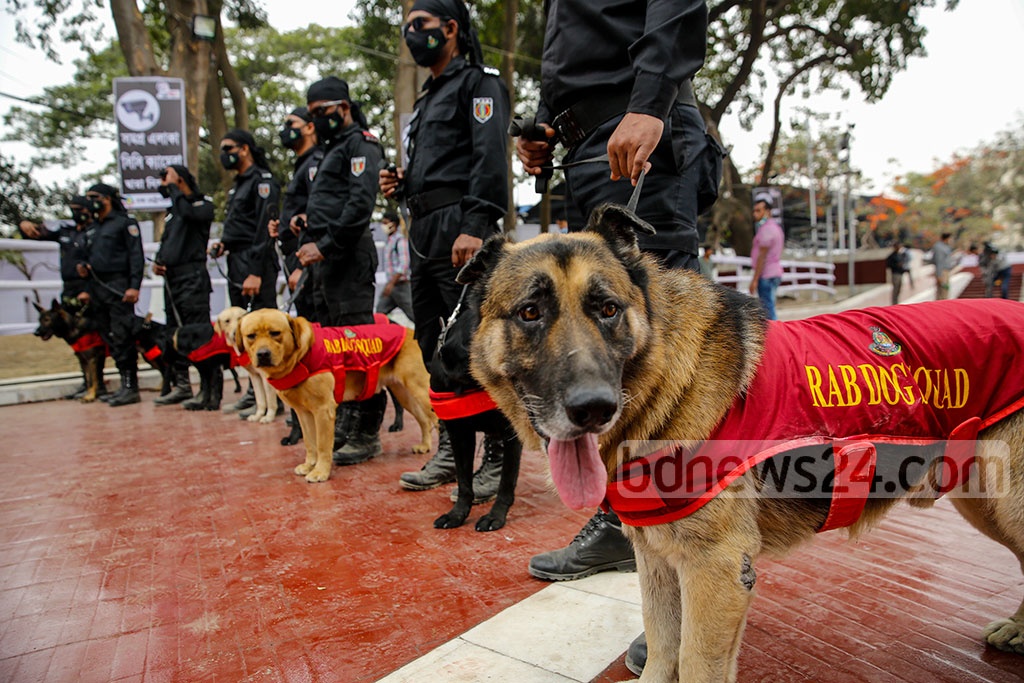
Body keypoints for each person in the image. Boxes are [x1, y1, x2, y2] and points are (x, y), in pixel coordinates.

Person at [513, 1, 713, 673]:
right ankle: (619, 517)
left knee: (670, 366)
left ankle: (691, 586)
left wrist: (651, 100)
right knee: (598, 361)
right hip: (590, 142)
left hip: (633, 128)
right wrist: (548, 126)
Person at [379, 0, 511, 500]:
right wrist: (403, 183)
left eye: (421, 26)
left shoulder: (480, 84)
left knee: (475, 346)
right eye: (407, 27)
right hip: (423, 229)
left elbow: (489, 156)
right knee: (433, 344)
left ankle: (498, 456)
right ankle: (453, 453)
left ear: (451, 28)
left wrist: (476, 223)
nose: (412, 35)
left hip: (461, 227)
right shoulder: (429, 96)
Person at [297, 76, 386, 465]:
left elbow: (359, 204)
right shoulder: (330, 148)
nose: (316, 121)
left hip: (347, 257)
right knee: (333, 348)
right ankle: (346, 425)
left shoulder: (360, 143)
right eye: (311, 114)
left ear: (343, 107)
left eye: (321, 112)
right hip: (324, 262)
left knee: (359, 345)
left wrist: (326, 245)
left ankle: (367, 433)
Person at [208, 128, 281, 413]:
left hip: (256, 263)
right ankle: (256, 391)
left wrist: (255, 271)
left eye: (229, 148)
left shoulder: (262, 182)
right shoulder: (238, 184)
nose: (224, 154)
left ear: (245, 149)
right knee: (245, 334)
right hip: (237, 261)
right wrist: (224, 244)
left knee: (265, 332)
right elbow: (241, 226)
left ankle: (277, 394)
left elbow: (265, 229)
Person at [20, 195, 102, 399]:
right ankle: (88, 383)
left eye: (79, 209)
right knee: (76, 341)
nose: (75, 213)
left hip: (90, 288)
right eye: (72, 209)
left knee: (93, 340)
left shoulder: (97, 231)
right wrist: (24, 224)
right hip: (69, 290)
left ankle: (98, 385)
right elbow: (39, 234)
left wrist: (89, 290)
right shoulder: (68, 232)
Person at [151, 165, 215, 405]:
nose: (163, 182)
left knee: (197, 334)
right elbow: (168, 242)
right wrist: (159, 262)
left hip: (193, 280)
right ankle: (183, 385)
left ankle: (209, 389)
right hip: (172, 282)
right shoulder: (173, 212)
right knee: (173, 333)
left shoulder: (200, 205)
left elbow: (190, 215)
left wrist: (175, 186)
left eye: (167, 177)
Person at [76, 184, 145, 407]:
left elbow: (136, 256)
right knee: (109, 337)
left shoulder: (125, 223)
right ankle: (122, 384)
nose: (90, 202)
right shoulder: (93, 227)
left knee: (123, 335)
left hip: (119, 286)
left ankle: (130, 386)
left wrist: (134, 286)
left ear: (107, 198)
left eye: (94, 197)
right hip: (98, 288)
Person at [270, 107, 322, 321]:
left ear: (310, 127)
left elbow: (317, 215)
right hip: (295, 257)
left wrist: (302, 267)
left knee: (314, 324)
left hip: (308, 260)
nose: (286, 130)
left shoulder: (315, 162)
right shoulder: (301, 165)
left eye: (291, 124)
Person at [375, 211, 415, 323]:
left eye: (385, 223)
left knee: (414, 314)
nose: (383, 226)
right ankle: (395, 331)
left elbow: (404, 265)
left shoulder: (400, 240)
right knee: (379, 314)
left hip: (401, 286)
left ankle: (431, 337)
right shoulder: (389, 241)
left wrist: (391, 283)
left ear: (394, 224)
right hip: (391, 286)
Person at [748, 197, 784, 320]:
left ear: (767, 211)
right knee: (770, 306)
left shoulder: (767, 230)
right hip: (774, 272)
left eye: (759, 210)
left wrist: (755, 279)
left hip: (766, 274)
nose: (755, 214)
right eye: (754, 211)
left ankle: (775, 337)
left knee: (768, 311)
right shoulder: (775, 227)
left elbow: (762, 257)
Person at [931, 232, 954, 300]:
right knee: (942, 292)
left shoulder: (946, 247)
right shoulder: (939, 247)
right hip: (942, 271)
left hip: (946, 271)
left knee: (945, 291)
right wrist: (939, 275)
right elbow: (939, 261)